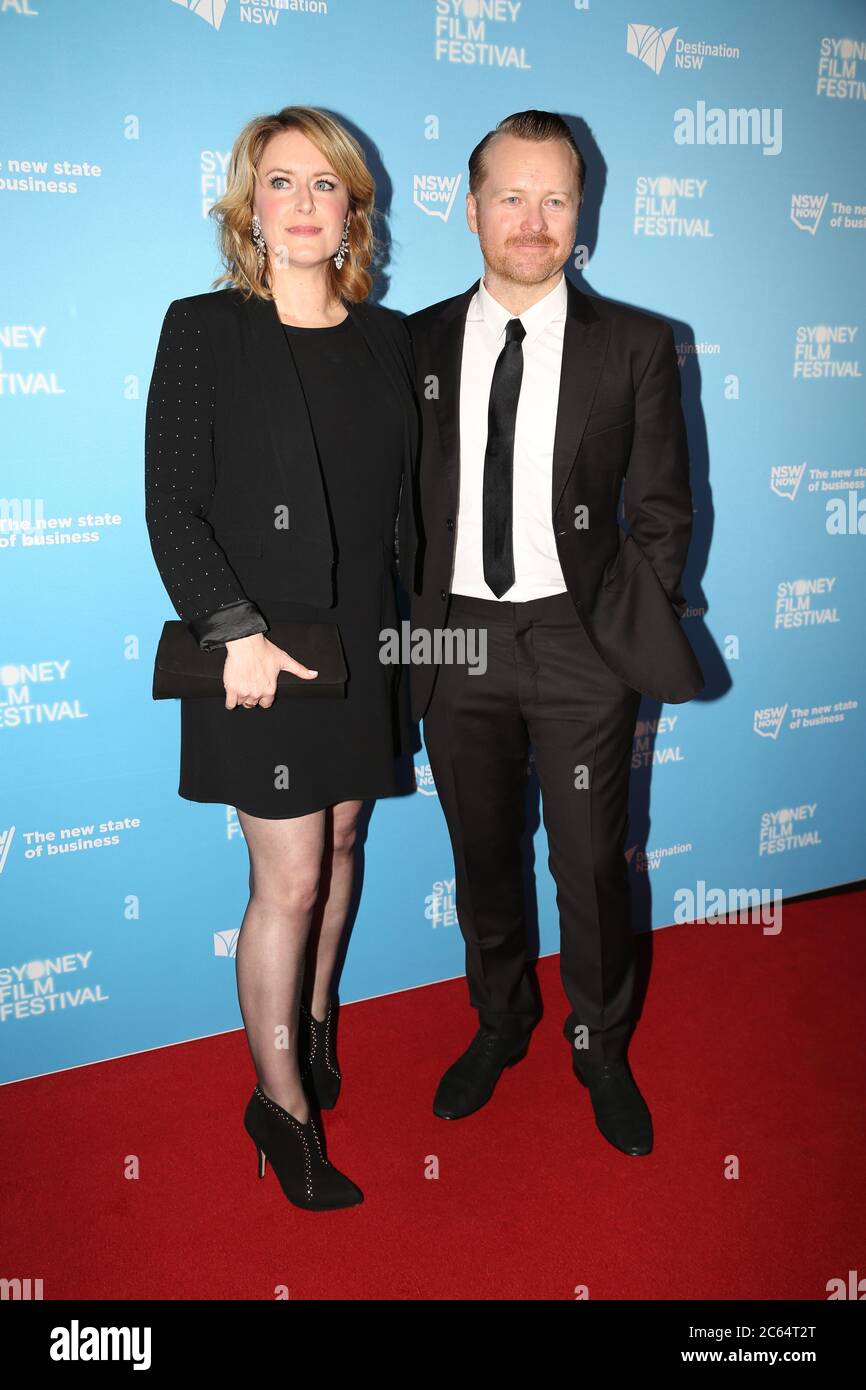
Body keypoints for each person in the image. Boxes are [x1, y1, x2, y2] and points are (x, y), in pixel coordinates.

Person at [405, 109, 704, 1156]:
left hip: (581, 644)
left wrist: (632, 615)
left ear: (582, 212)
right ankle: (501, 1021)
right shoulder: (413, 343)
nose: (532, 221)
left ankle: (598, 1042)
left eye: (556, 198)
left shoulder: (633, 344)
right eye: (510, 195)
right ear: (471, 204)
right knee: (480, 854)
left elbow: (664, 506)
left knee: (588, 864)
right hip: (452, 643)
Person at [144, 105, 419, 1208]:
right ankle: (281, 1103)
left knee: (346, 836)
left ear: (353, 209)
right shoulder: (203, 329)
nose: (303, 204)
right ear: (246, 207)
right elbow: (172, 503)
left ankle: (309, 1022)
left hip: (365, 634)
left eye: (325, 185)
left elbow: (403, 504)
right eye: (281, 182)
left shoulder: (389, 338)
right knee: (290, 877)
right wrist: (230, 628)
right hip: (257, 645)